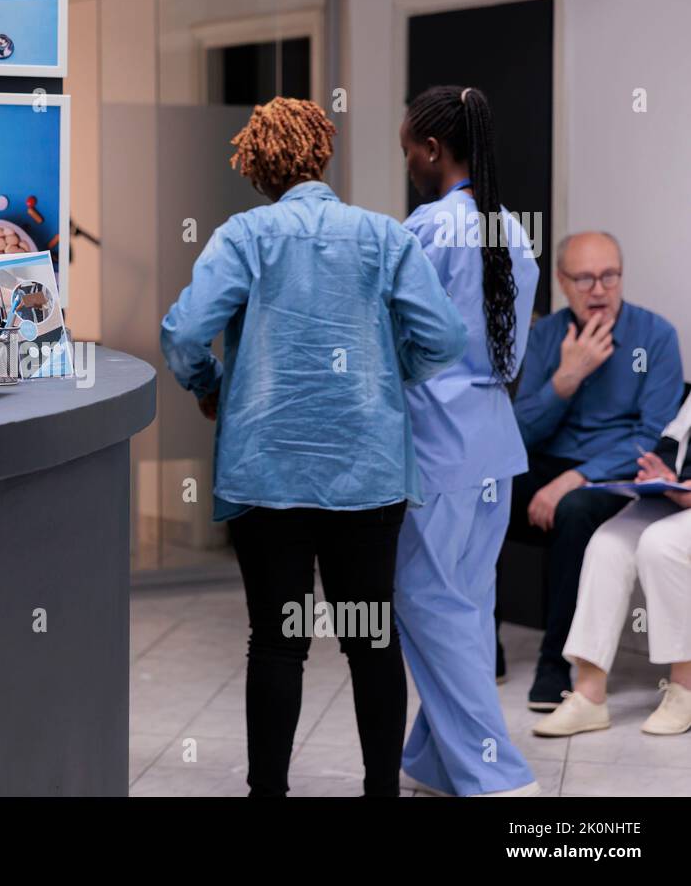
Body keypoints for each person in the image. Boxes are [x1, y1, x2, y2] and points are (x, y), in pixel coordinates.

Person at [160, 97, 466, 797]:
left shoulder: (244, 236)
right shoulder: (384, 237)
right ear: (322, 154)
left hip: (265, 474)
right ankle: (380, 793)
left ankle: (268, 792)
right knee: (370, 638)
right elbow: (445, 339)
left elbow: (182, 334)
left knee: (276, 640)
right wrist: (394, 373)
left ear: (258, 168)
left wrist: (212, 386)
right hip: (366, 473)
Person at [392, 85, 540, 796]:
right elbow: (511, 359)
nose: (410, 164)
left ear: (431, 148)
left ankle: (499, 778)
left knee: (425, 601)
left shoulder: (425, 228)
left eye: (408, 150)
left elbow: (398, 339)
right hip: (492, 444)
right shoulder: (513, 230)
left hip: (436, 446)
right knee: (470, 605)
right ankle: (435, 764)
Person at [505, 230, 682, 710]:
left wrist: (574, 478)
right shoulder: (545, 335)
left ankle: (554, 662)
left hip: (614, 475)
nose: (598, 290)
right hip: (548, 462)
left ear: (621, 278)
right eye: (584, 279)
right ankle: (484, 639)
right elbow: (517, 435)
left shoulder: (656, 337)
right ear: (562, 282)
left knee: (578, 508)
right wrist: (566, 379)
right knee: (485, 485)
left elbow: (653, 438)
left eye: (608, 276)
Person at [533, 391, 691, 738]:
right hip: (676, 498)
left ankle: (684, 687)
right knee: (608, 544)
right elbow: (673, 440)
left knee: (660, 545)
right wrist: (660, 474)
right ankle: (589, 694)